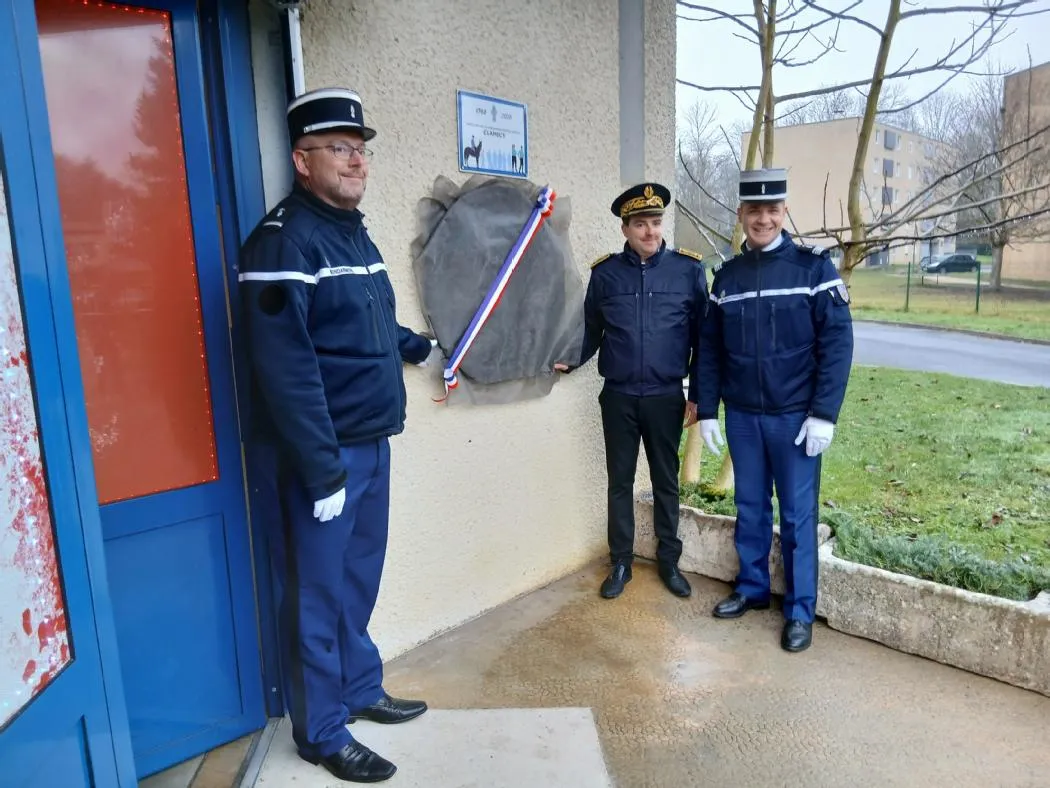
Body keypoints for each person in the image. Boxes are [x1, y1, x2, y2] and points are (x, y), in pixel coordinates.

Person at [238, 87, 435, 783]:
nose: (358, 161)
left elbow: (364, 322)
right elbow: (285, 370)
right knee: (315, 594)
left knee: (356, 578)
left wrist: (416, 345)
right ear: (301, 159)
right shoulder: (282, 242)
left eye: (361, 150)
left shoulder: (351, 232)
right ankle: (321, 730)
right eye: (340, 149)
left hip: (370, 442)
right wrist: (322, 471)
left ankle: (358, 688)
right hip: (321, 457)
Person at [695, 167, 854, 653]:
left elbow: (837, 344)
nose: (762, 219)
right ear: (741, 214)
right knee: (750, 507)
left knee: (799, 516)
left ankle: (800, 610)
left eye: (772, 210)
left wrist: (824, 413)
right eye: (753, 210)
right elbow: (710, 350)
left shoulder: (814, 271)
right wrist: (705, 410)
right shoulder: (727, 277)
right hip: (744, 416)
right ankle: (751, 588)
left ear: (783, 212)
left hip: (795, 419)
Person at [556, 183, 708, 600]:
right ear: (625, 228)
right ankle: (621, 561)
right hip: (619, 396)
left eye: (656, 222)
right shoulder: (605, 274)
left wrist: (699, 392)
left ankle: (668, 561)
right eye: (640, 224)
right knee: (619, 482)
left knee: (665, 482)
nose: (650, 232)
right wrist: (571, 359)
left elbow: (704, 338)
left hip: (664, 396)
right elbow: (591, 329)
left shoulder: (687, 271)